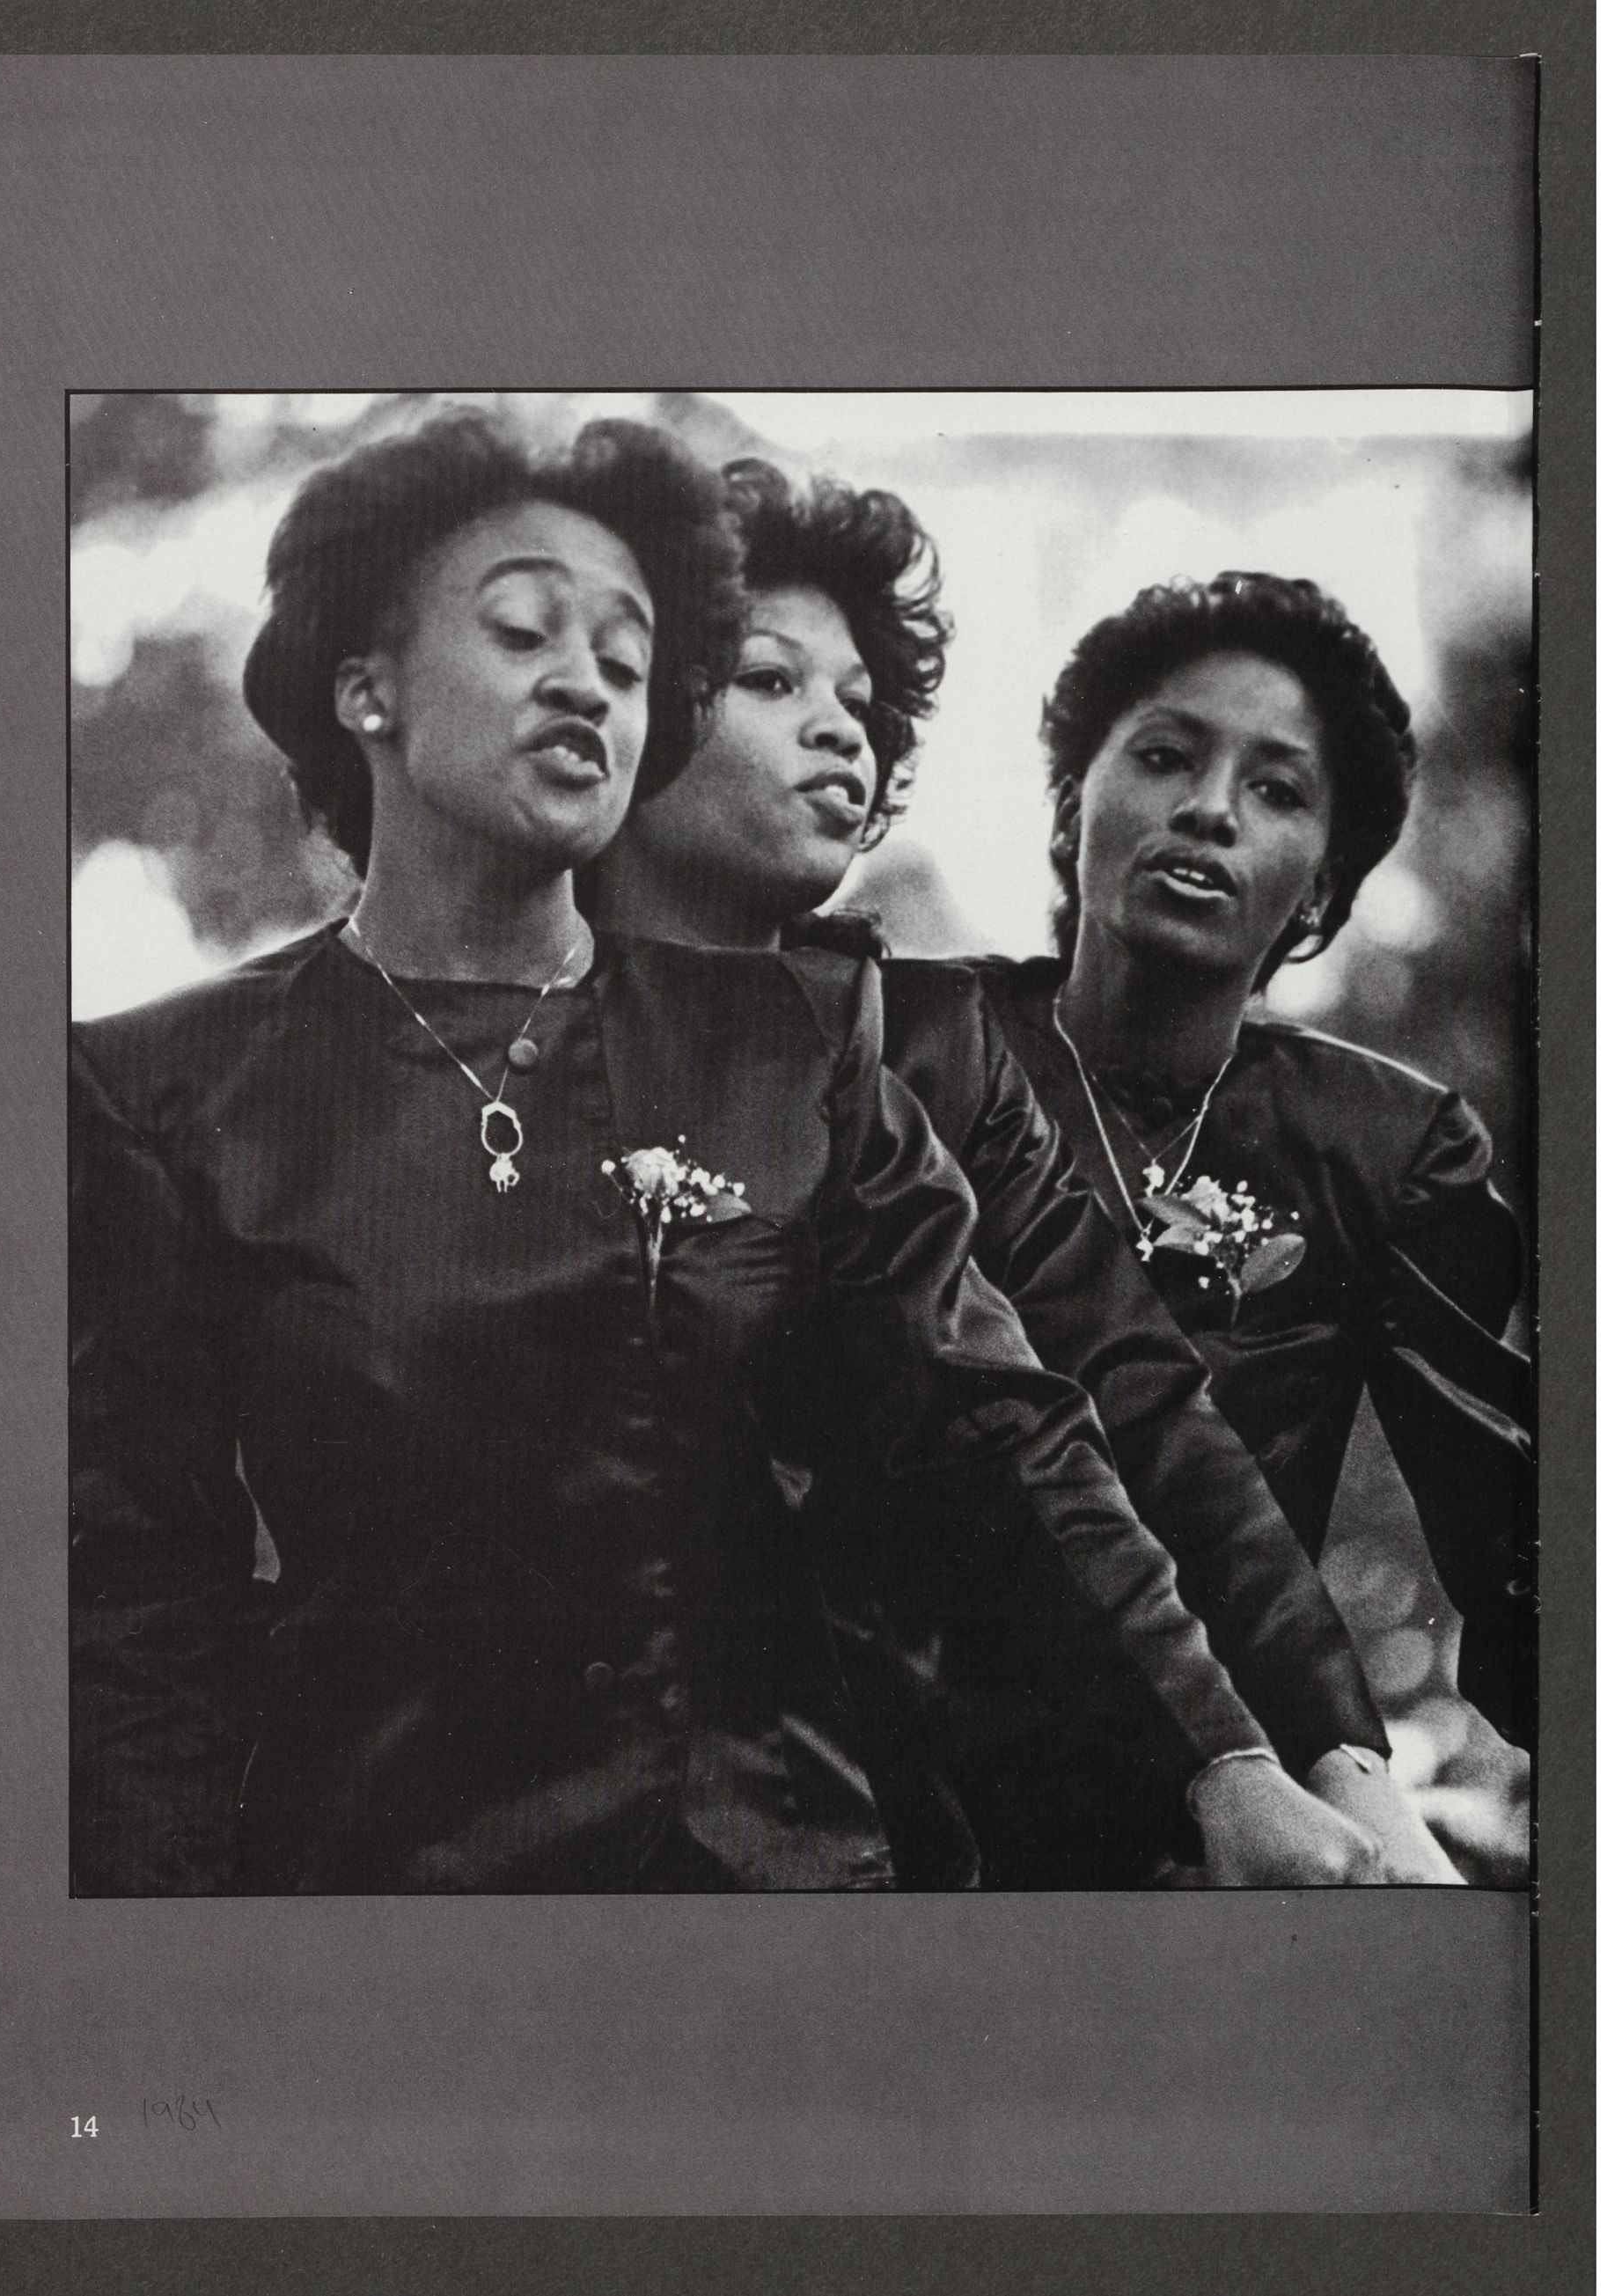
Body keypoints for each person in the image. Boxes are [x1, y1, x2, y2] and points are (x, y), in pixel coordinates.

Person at [70, 410, 1376, 1896]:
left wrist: (1228, 1762)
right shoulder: (164, 1089)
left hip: (784, 1904)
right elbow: (133, 1611)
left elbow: (1005, 1426)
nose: (588, 681)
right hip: (391, 1921)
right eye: (524, 630)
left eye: (630, 662)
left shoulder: (791, 1044)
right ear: (365, 685)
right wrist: (171, 1959)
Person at [582, 458, 1460, 1885]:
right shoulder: (428, 1047)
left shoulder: (897, 1048)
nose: (840, 730)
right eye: (770, 678)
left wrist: (1304, 1758)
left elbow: (1105, 1408)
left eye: (863, 703)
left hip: (859, 1846)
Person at [973, 571, 1533, 1860]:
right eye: (1166, 756)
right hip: (890, 1806)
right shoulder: (910, 1046)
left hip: (1234, 1827)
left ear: (1323, 889)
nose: (1211, 809)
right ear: (1070, 804)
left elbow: (1512, 1522)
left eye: (1277, 790)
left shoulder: (1384, 1147)